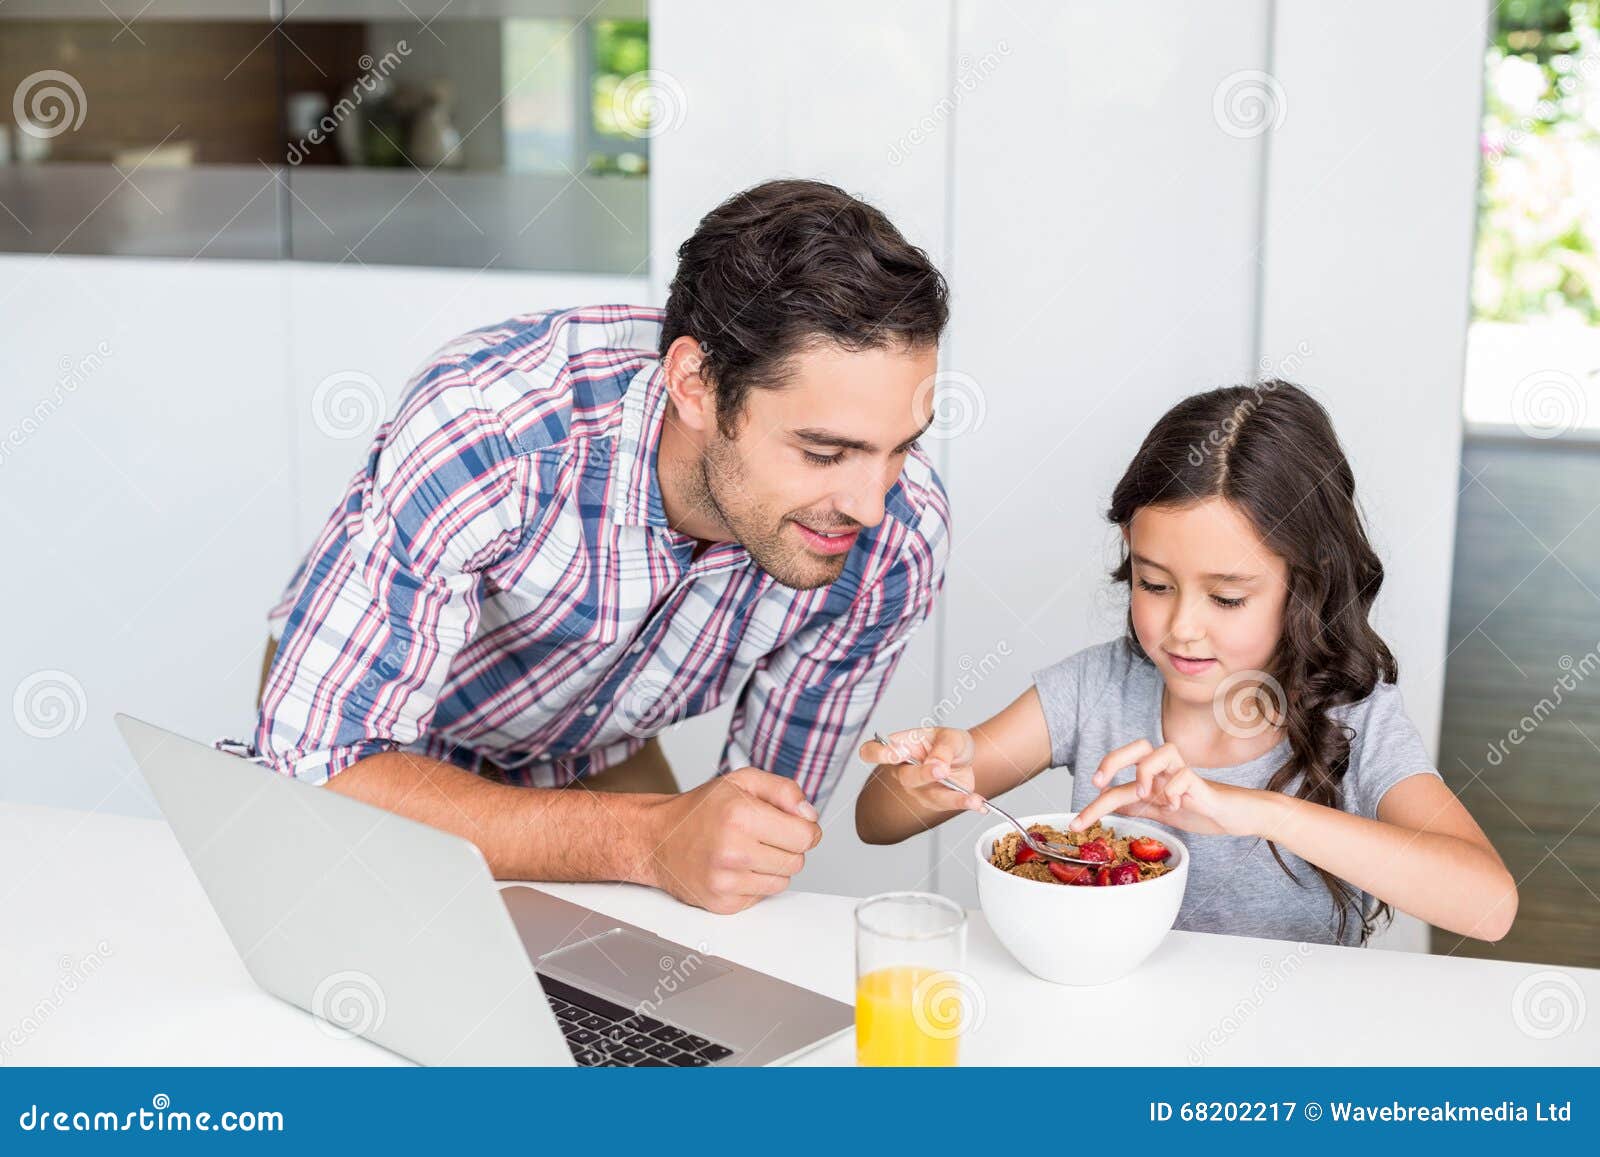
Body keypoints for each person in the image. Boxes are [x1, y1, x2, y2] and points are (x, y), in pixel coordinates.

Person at [255, 179, 952, 915]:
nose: (870, 505)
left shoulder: (897, 542)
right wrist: (645, 841)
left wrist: (694, 842)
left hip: (592, 749)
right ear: (694, 383)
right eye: (822, 452)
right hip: (384, 737)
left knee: (651, 975)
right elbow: (321, 770)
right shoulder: (492, 430)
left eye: (899, 449)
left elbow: (761, 825)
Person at [856, 381, 1517, 946]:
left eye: (1228, 596)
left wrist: (1253, 810)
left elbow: (1489, 905)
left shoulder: (1354, 721)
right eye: (1155, 584)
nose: (1181, 628)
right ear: (1129, 549)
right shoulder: (1095, 692)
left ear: (1305, 584)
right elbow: (876, 821)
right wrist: (929, 775)